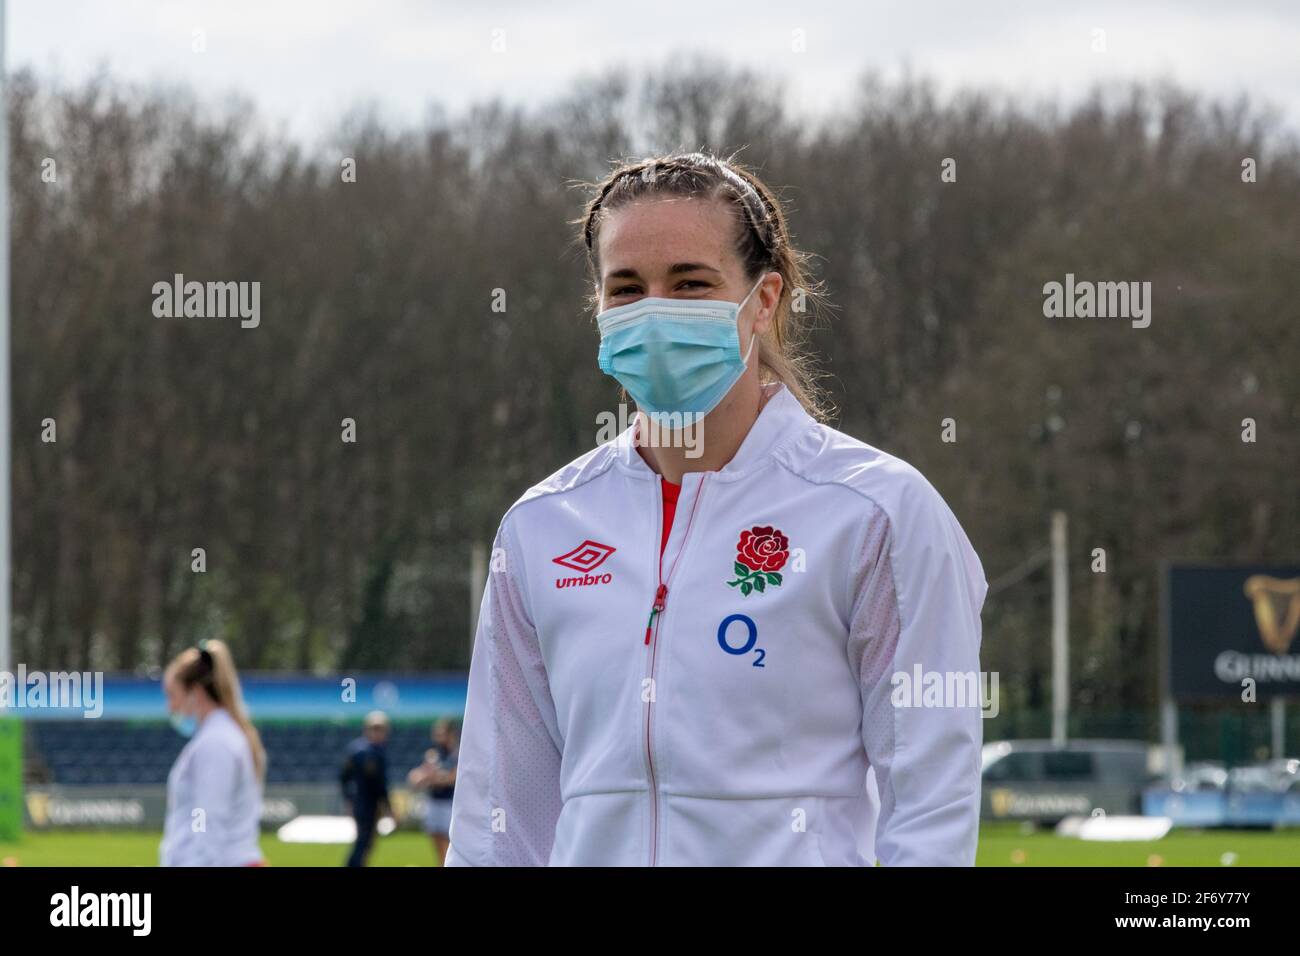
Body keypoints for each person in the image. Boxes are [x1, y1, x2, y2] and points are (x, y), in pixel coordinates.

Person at [447, 151, 987, 867]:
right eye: (627, 289)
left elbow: (931, 814)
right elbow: (499, 821)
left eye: (691, 284)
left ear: (763, 300)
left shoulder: (878, 514)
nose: (656, 311)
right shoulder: (541, 526)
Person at [159, 639, 266, 866]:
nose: (170, 707)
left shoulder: (215, 743)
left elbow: (207, 822)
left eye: (172, 695)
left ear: (195, 692)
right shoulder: (221, 737)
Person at [341, 710, 391, 867]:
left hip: (367, 803)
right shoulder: (364, 751)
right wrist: (389, 807)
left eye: (380, 729)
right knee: (363, 843)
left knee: (366, 843)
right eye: (375, 728)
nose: (378, 733)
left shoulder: (362, 749)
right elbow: (379, 785)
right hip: (365, 804)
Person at [406, 719, 459, 866]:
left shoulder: (457, 754)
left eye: (441, 733)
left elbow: (452, 779)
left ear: (451, 734)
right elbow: (416, 777)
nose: (438, 736)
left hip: (450, 804)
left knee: (452, 845)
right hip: (434, 802)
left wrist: (432, 778)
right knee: (437, 845)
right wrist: (429, 777)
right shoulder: (433, 754)